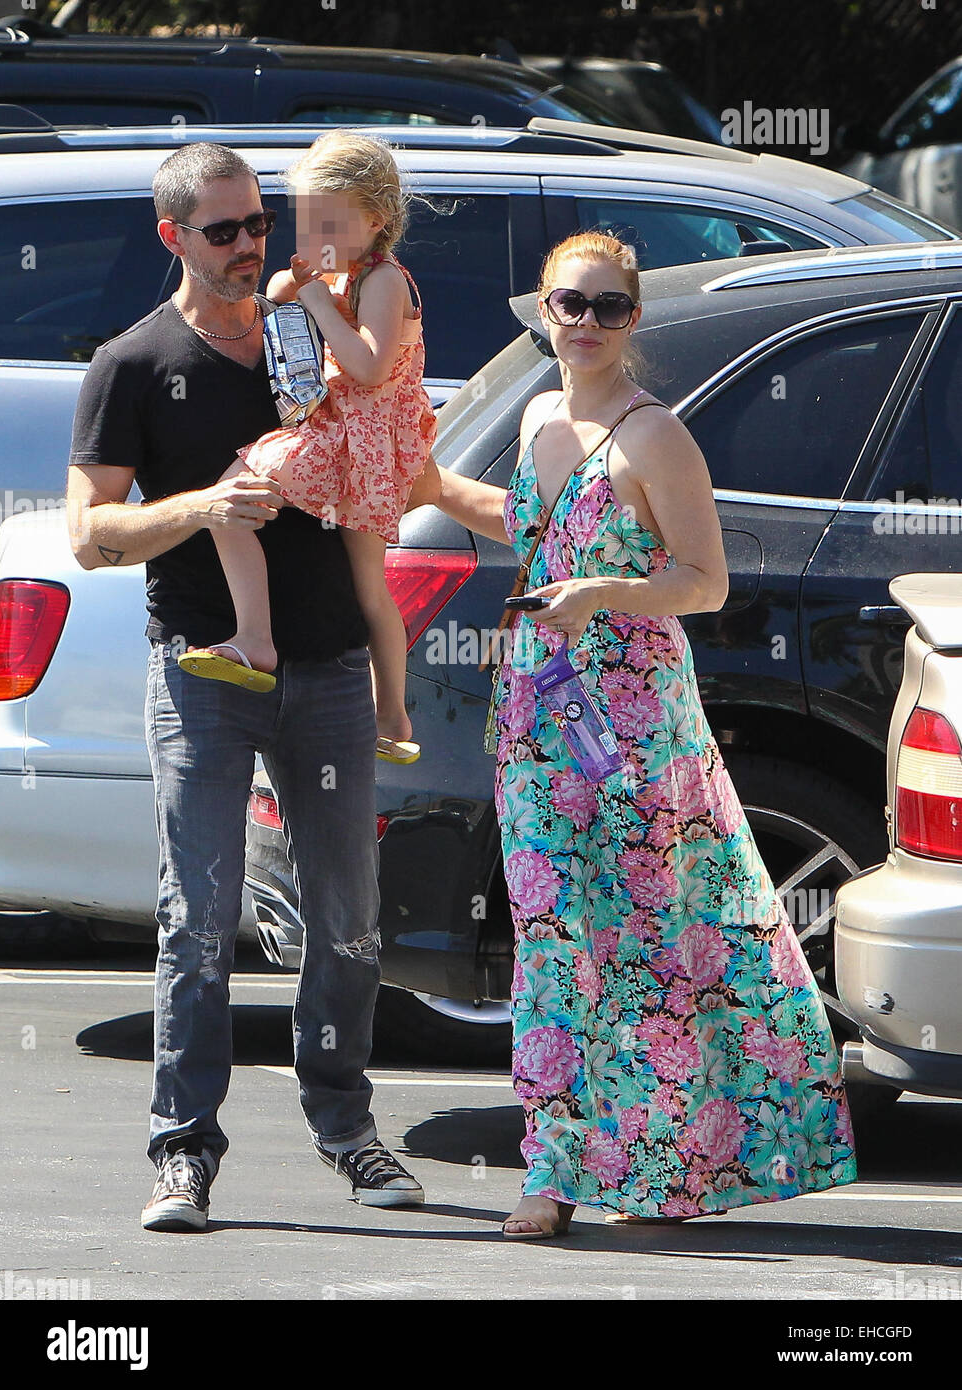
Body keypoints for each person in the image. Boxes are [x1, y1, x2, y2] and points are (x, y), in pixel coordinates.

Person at [409, 231, 857, 1238]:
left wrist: (604, 593)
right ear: (543, 307)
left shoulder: (654, 435)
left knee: (652, 944)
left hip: (637, 731)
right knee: (555, 947)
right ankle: (551, 1168)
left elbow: (705, 580)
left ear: (633, 321)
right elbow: (536, 528)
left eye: (611, 308)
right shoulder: (533, 417)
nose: (588, 325)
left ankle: (662, 1168)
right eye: (573, 304)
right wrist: (439, 492)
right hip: (536, 723)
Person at [66, 141, 424, 1231]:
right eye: (222, 230)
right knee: (198, 915)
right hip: (204, 671)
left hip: (323, 668)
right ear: (172, 235)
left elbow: (378, 421)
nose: (249, 245)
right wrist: (201, 508)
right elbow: (90, 533)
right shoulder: (132, 361)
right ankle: (184, 1152)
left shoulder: (298, 322)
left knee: (347, 914)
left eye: (259, 223)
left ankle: (349, 1132)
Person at [179, 129, 436, 765]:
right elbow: (271, 308)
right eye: (302, 218)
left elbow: (370, 368)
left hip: (363, 441)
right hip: (338, 433)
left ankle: (393, 715)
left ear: (374, 221)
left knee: (367, 585)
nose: (310, 234)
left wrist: (319, 299)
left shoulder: (383, 281)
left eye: (329, 219)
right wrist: (293, 292)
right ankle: (257, 638)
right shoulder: (340, 273)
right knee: (235, 496)